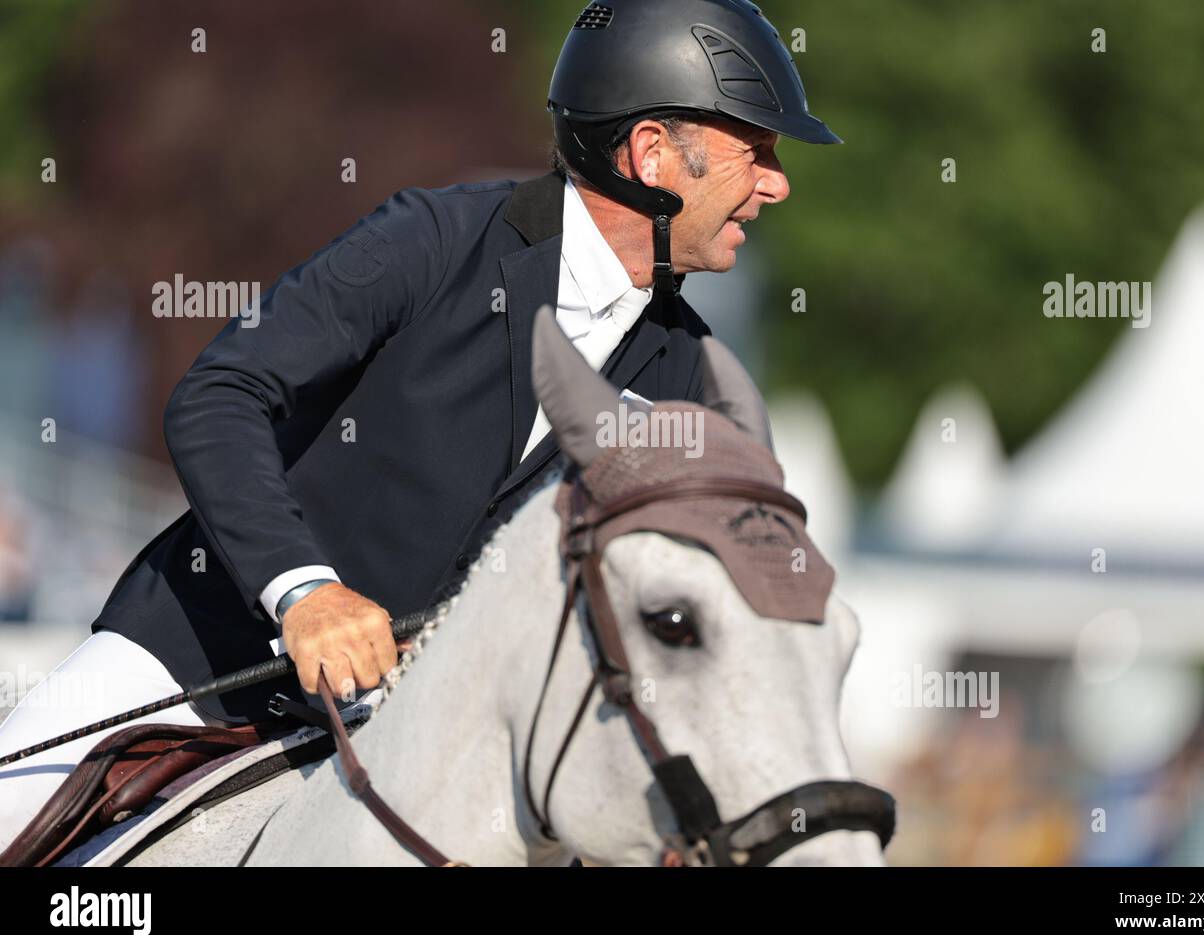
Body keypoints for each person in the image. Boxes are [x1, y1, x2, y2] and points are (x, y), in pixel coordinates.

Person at [0, 0, 841, 851]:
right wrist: (306, 592)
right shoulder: (438, 239)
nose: (778, 183)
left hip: (423, 747)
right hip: (203, 659)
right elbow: (221, 395)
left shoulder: (689, 378)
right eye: (756, 150)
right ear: (652, 151)